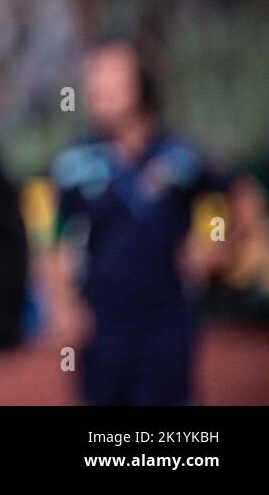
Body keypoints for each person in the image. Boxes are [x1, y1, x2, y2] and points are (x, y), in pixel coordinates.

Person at [45, 38, 232, 405]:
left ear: (141, 85)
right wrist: (62, 303)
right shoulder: (74, 161)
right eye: (93, 79)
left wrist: (217, 247)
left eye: (110, 78)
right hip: (102, 333)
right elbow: (55, 238)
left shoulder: (181, 154)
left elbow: (240, 200)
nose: (97, 88)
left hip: (167, 328)